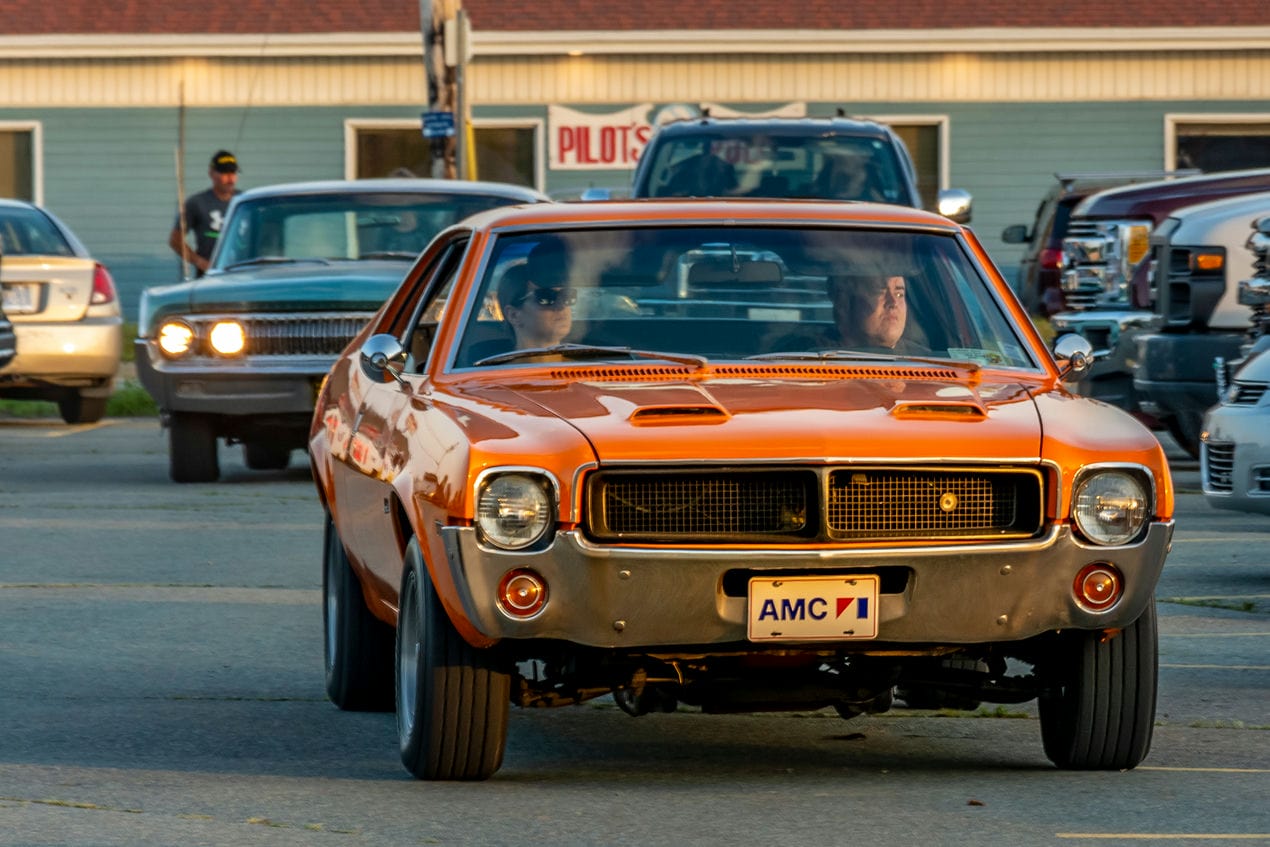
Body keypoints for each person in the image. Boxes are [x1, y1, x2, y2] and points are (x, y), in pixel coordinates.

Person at [169, 150, 241, 276]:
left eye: (233, 173)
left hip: (242, 274)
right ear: (211, 174)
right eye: (224, 173)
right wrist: (199, 261)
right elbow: (175, 240)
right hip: (209, 278)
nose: (230, 178)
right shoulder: (197, 203)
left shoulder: (244, 201)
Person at [828, 272, 926, 353]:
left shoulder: (926, 362)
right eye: (879, 293)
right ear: (844, 304)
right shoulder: (818, 359)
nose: (893, 302)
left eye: (899, 294)